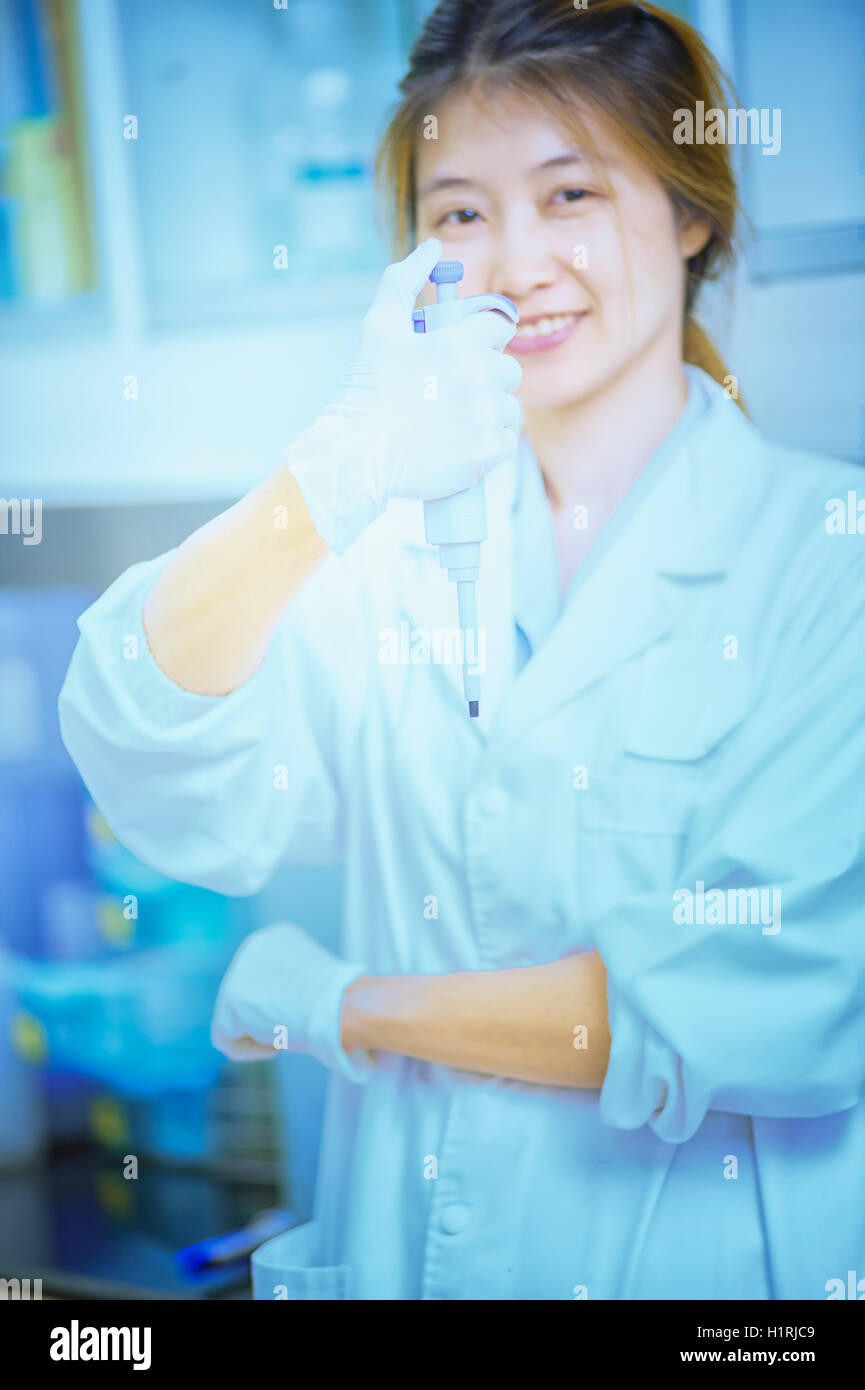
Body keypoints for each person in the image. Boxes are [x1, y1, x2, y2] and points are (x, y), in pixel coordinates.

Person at [58, 0, 865, 1300]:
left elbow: (770, 1002)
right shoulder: (377, 553)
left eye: (570, 194)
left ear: (687, 212)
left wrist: (343, 1005)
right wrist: (330, 477)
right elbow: (150, 755)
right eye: (460, 214)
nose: (514, 262)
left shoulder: (827, 557)